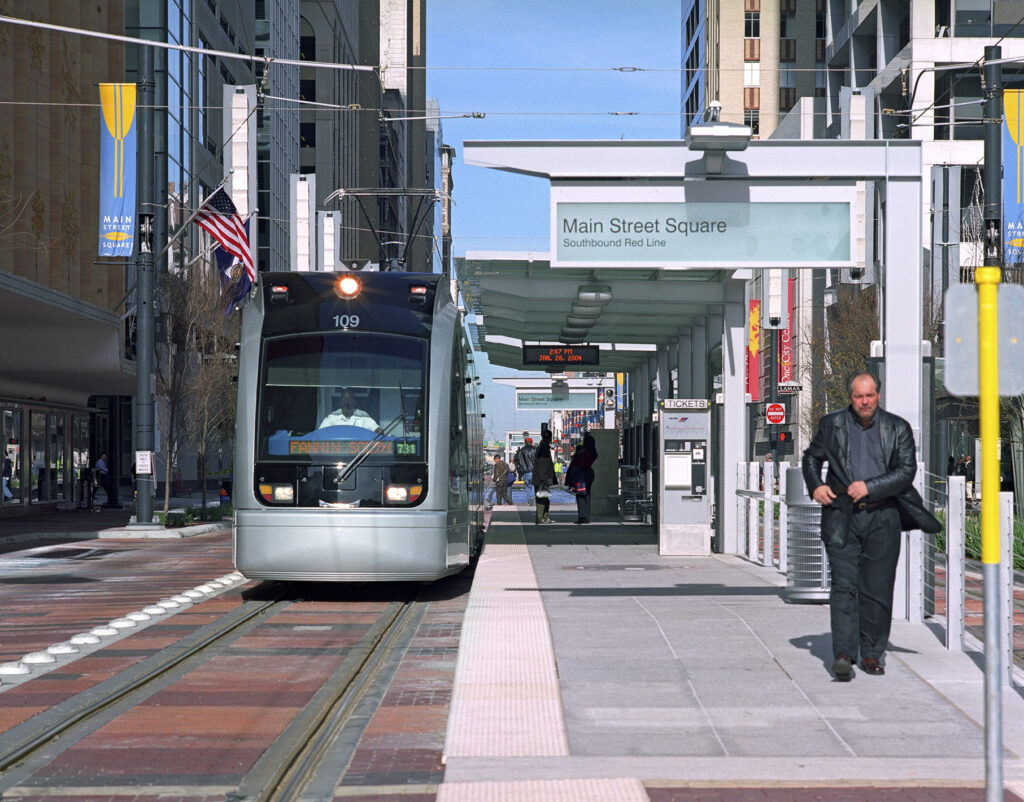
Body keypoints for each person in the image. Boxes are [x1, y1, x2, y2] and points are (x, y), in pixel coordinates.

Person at [801, 371, 941, 681]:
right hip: (843, 517)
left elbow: (906, 472)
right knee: (844, 585)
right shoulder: (832, 424)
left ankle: (872, 654)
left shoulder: (897, 428)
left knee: (877, 589)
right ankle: (843, 653)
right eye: (858, 396)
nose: (864, 401)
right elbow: (811, 457)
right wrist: (815, 485)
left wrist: (870, 487)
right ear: (849, 398)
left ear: (878, 395)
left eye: (869, 395)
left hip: (883, 515)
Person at [565, 433, 598, 524]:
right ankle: (586, 516)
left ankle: (582, 516)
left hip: (580, 474)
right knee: (587, 495)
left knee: (580, 495)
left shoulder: (582, 451)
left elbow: (575, 462)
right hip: (589, 474)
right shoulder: (593, 452)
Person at [532, 431, 556, 523]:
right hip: (541, 479)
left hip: (540, 478)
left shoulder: (542, 447)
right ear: (550, 438)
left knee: (544, 498)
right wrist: (544, 479)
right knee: (541, 499)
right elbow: (543, 464)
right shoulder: (544, 448)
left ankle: (545, 517)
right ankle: (541, 518)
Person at [513, 436, 538, 503]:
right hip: (535, 471)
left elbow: (516, 460)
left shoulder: (521, 451)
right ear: (532, 442)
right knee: (534, 485)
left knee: (528, 486)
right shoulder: (536, 450)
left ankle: (529, 498)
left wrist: (520, 471)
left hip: (525, 472)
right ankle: (533, 496)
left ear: (525, 443)